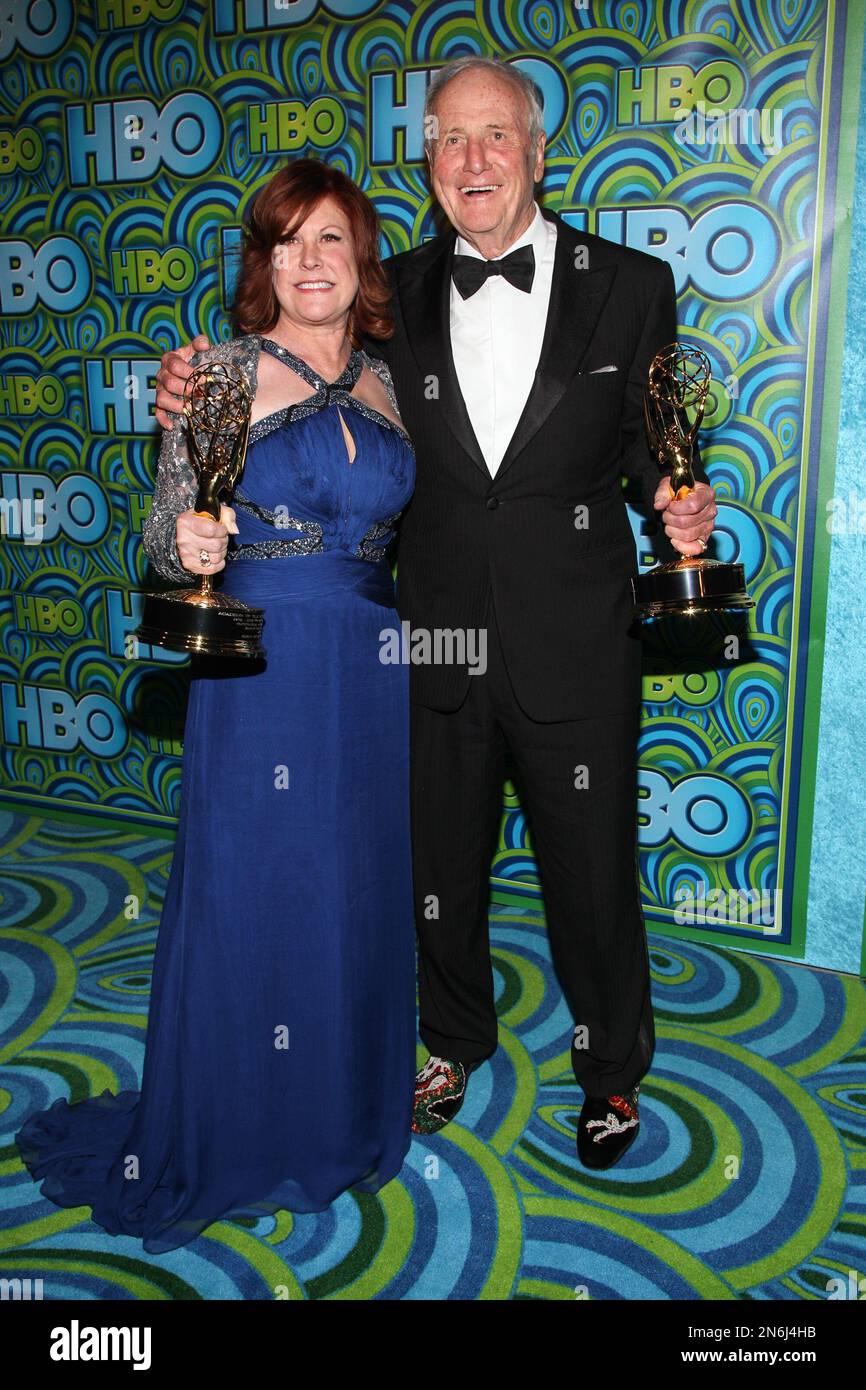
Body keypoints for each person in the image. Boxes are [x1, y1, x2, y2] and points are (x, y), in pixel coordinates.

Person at [156, 58, 718, 1172]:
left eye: (493, 136)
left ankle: (609, 1068)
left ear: (536, 150)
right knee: (437, 868)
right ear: (426, 161)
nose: (472, 161)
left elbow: (655, 447)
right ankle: (451, 1041)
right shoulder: (392, 294)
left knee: (591, 872)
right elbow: (284, 377)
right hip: (428, 640)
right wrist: (188, 393)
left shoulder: (633, 283)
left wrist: (678, 505)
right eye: (449, 141)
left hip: (576, 633)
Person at [15, 158, 417, 1252]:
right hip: (260, 670)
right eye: (286, 241)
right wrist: (184, 542)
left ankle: (341, 1107)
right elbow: (160, 535)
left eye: (329, 237)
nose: (309, 260)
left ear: (360, 255)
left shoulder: (390, 380)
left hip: (367, 672)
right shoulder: (221, 375)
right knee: (256, 886)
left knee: (351, 888)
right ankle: (239, 1119)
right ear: (263, 263)